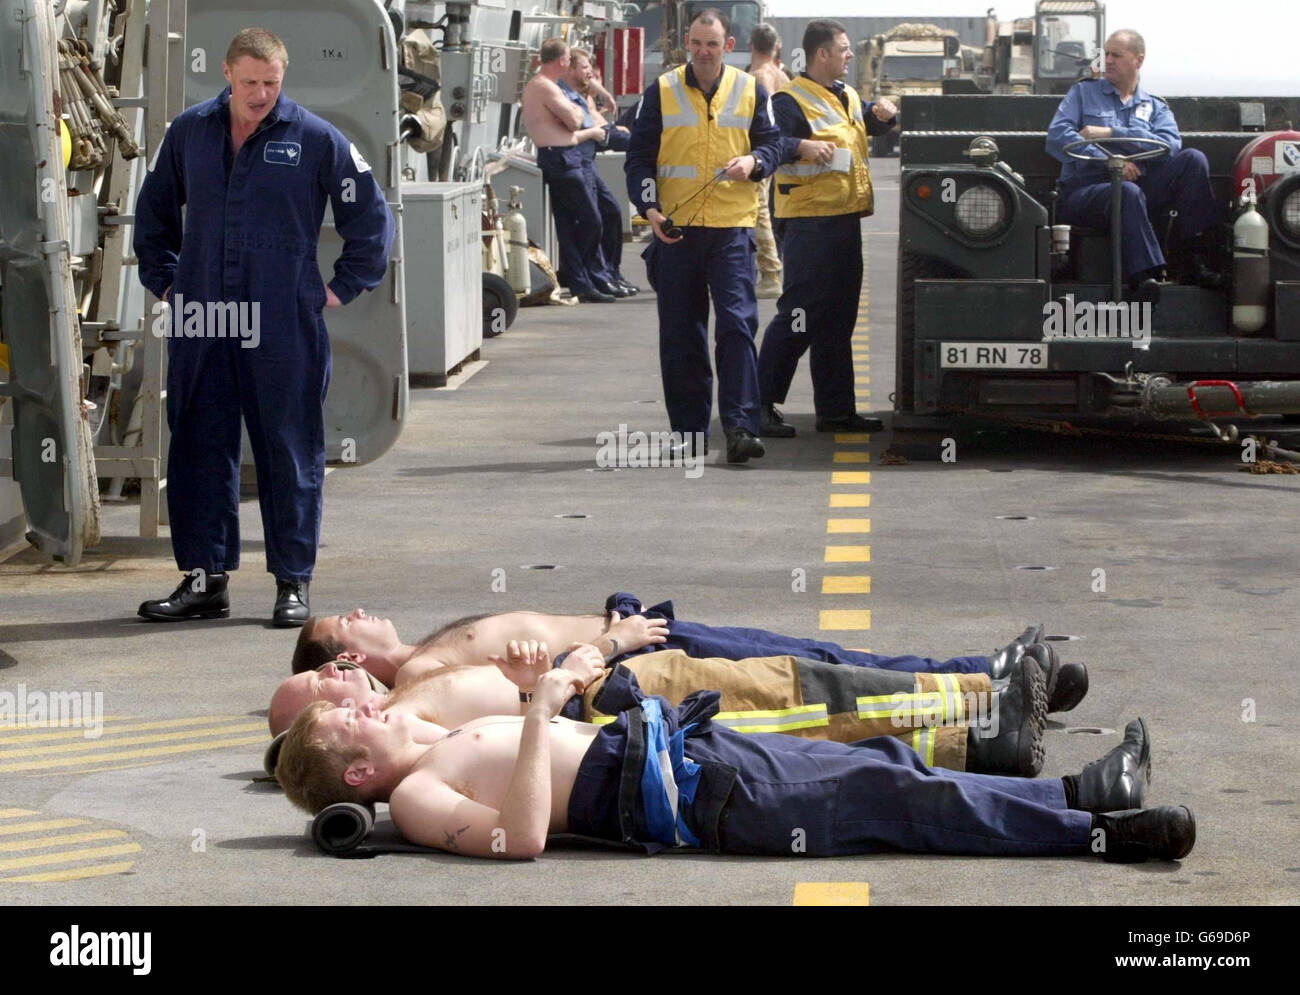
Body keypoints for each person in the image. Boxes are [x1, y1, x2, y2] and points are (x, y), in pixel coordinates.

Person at [276, 659, 1192, 863]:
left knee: (882, 761)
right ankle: (1097, 833)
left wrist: (561, 690)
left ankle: (1074, 791)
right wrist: (536, 718)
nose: (372, 706)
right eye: (361, 724)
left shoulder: (436, 743)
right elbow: (518, 839)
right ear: (360, 773)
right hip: (701, 795)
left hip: (686, 750)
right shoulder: (427, 794)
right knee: (890, 796)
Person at [133, 28, 395, 627]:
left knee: (288, 446)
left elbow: (370, 218)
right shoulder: (188, 133)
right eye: (249, 82)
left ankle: (292, 584)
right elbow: (153, 213)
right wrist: (166, 280)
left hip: (282, 321)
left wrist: (341, 286)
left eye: (271, 83)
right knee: (199, 443)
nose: (260, 95)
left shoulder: (315, 138)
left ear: (284, 77)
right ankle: (204, 580)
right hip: (203, 317)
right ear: (227, 73)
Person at [267, 639, 1050, 777]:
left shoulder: (410, 699)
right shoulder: (404, 730)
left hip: (619, 681)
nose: (343, 674)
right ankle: (986, 724)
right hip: (617, 709)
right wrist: (572, 672)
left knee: (802, 684)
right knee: (806, 712)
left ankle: (987, 708)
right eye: (323, 689)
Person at [288, 594, 1088, 713]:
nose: (359, 612)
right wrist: (607, 640)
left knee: (810, 654)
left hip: (630, 627)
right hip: (628, 654)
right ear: (346, 656)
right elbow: (523, 688)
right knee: (809, 664)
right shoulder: (424, 673)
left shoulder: (425, 647)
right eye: (343, 623)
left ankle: (988, 672)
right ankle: (989, 682)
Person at [625, 8, 782, 464]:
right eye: (696, 43)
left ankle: (740, 427)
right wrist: (649, 207)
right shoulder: (662, 90)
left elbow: (772, 143)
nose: (704, 51)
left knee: (736, 327)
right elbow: (639, 158)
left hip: (731, 229)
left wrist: (754, 162)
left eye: (712, 43)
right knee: (681, 333)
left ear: (728, 47)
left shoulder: (751, 89)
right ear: (687, 45)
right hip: (676, 232)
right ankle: (689, 434)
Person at [756, 20, 895, 440]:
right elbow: (767, 144)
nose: (850, 55)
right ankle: (758, 405)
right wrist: (802, 146)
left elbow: (862, 125)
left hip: (844, 219)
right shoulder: (789, 100)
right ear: (823, 54)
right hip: (808, 222)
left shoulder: (847, 95)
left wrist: (883, 115)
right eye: (844, 49)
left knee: (838, 319)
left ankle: (836, 410)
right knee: (800, 315)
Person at [1046, 29, 1223, 302]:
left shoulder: (1155, 107)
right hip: (1085, 192)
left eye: (1116, 54)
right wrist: (1111, 163)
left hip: (1139, 187)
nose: (1108, 60)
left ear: (1138, 61)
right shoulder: (1082, 93)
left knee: (1193, 160)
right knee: (1126, 191)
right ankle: (1145, 278)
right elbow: (1058, 137)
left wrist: (1110, 134)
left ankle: (1196, 260)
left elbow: (1169, 146)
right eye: (1105, 54)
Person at [522, 39, 623, 303]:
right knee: (591, 220)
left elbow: (574, 119)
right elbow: (575, 120)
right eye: (568, 58)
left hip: (565, 156)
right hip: (560, 159)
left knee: (571, 225)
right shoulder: (544, 86)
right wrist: (574, 114)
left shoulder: (548, 86)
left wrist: (575, 113)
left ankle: (583, 282)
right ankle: (585, 276)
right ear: (561, 61)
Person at [567, 50, 639, 295]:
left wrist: (606, 95)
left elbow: (589, 80)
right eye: (585, 67)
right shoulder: (568, 96)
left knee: (612, 213)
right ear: (569, 68)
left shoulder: (582, 90)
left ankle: (611, 272)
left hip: (590, 161)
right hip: (579, 160)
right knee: (594, 220)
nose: (590, 73)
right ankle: (596, 275)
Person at [747, 23, 790, 300]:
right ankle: (768, 270)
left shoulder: (756, 77)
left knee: (759, 211)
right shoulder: (782, 75)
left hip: (761, 152)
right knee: (765, 210)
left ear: (751, 45)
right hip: (778, 150)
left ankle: (770, 273)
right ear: (777, 46)